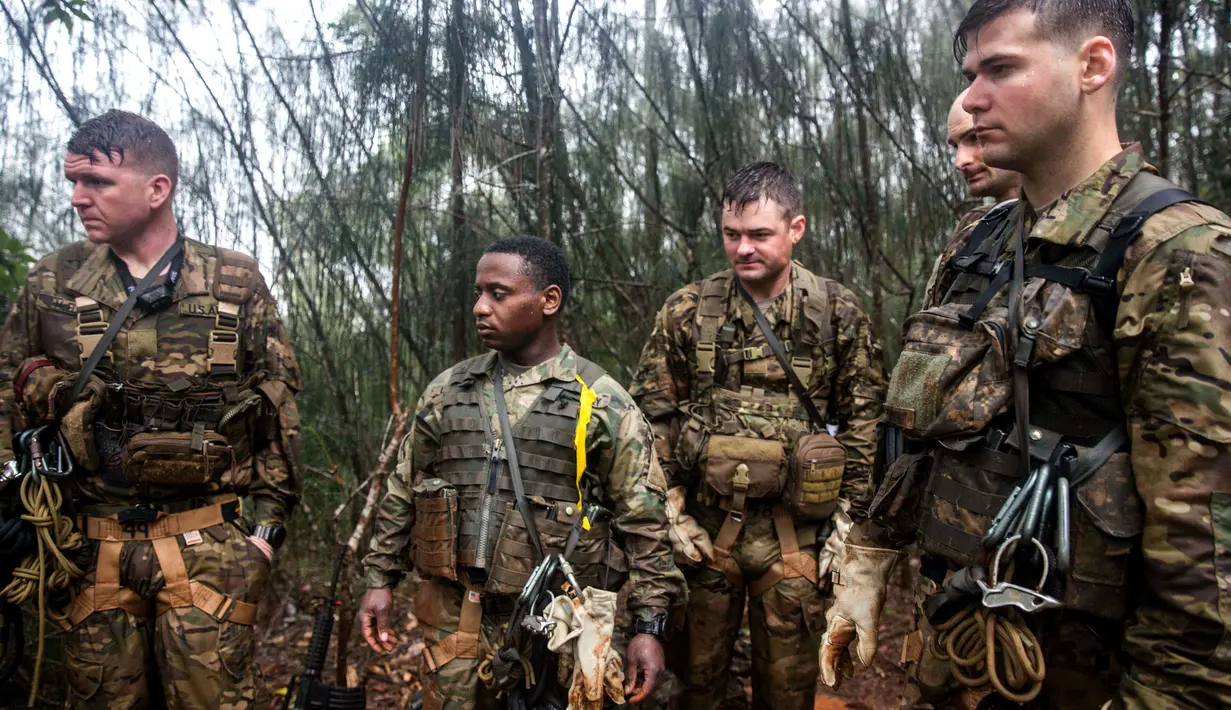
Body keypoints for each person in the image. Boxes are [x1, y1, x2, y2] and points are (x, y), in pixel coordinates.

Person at [819, 1, 1231, 708]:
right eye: (968, 72)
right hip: (957, 646)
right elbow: (925, 436)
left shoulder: (1174, 252)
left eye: (1000, 69)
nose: (969, 99)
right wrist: (867, 560)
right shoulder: (982, 240)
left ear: (1092, 66)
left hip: (1082, 677)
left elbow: (1204, 556)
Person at [0, 109, 302, 708]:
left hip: (210, 545)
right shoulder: (51, 284)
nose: (78, 198)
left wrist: (264, 535)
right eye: (73, 183)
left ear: (157, 188)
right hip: (84, 549)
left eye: (97, 183)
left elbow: (277, 404)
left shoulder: (233, 280)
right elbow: (5, 396)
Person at [359, 235, 686, 710]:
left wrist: (649, 627)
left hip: (557, 626)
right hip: (456, 617)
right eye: (478, 292)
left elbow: (645, 521)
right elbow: (403, 487)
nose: (479, 307)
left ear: (548, 300)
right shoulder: (449, 390)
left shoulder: (601, 401)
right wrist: (379, 578)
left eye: (498, 293)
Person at [628, 161, 887, 710]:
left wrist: (848, 530)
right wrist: (670, 512)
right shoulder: (688, 311)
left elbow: (865, 427)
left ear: (796, 228)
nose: (743, 248)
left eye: (760, 234)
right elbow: (652, 418)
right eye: (731, 234)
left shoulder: (836, 314)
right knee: (695, 686)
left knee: (788, 691)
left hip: (797, 543)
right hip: (703, 536)